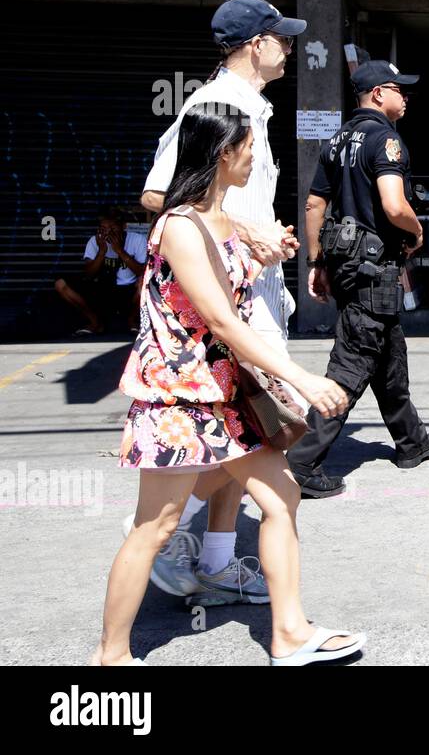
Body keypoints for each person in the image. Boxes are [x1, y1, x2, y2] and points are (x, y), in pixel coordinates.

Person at [96, 102, 363, 666]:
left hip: (226, 394)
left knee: (282, 494)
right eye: (248, 148)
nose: (254, 157)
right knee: (155, 526)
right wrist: (301, 379)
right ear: (223, 153)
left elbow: (232, 284)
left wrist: (268, 254)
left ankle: (288, 634)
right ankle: (111, 658)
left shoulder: (222, 221)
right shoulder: (179, 226)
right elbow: (219, 320)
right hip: (182, 399)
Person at [136, 0, 305, 602]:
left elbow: (231, 205)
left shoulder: (250, 107)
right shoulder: (215, 105)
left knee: (249, 428)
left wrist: (262, 231)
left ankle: (213, 560)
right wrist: (245, 227)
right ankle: (171, 534)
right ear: (255, 44)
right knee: (253, 430)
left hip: (254, 283)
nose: (288, 46)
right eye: (281, 38)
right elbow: (161, 193)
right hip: (229, 299)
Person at [291, 60, 429, 498]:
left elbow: (314, 206)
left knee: (388, 351)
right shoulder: (385, 139)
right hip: (375, 268)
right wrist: (417, 232)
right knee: (353, 363)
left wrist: (318, 263)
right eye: (399, 89)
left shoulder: (336, 140)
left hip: (347, 266)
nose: (405, 96)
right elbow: (394, 206)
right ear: (378, 95)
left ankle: (411, 441)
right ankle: (302, 461)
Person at [54, 208, 147, 335]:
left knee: (145, 282)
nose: (108, 232)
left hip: (127, 289)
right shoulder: (95, 241)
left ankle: (132, 321)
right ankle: (95, 323)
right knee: (61, 284)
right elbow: (88, 274)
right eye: (103, 228)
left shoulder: (137, 240)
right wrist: (101, 252)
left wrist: (120, 250)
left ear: (124, 227)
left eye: (112, 228)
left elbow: (141, 271)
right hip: (102, 289)